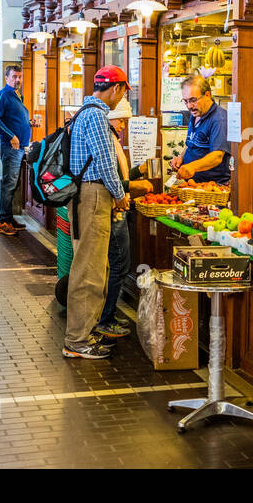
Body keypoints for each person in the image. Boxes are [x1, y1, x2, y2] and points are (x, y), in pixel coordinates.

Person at [62, 65, 130, 359]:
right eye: (124, 91)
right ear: (117, 89)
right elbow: (104, 163)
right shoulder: (97, 115)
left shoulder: (83, 112)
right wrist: (120, 195)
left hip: (84, 195)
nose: (122, 97)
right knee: (89, 270)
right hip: (93, 196)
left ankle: (84, 333)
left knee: (91, 267)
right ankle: (77, 340)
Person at [94, 99, 153, 341]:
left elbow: (118, 175)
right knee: (118, 265)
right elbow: (111, 181)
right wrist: (134, 184)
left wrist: (138, 170)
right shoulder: (107, 139)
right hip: (114, 212)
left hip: (117, 210)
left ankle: (107, 315)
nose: (123, 126)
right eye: (121, 121)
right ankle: (105, 318)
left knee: (116, 265)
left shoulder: (112, 139)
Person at [0, 65, 32, 235]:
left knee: (13, 185)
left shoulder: (17, 95)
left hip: (19, 147)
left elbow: (12, 118)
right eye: (14, 77)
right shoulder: (2, 95)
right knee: (9, 184)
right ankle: (4, 221)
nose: (17, 80)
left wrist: (28, 123)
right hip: (10, 147)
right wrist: (11, 135)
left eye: (19, 77)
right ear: (6, 78)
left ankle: (9, 217)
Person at [170, 75, 231, 185]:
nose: (189, 106)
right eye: (185, 101)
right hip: (193, 186)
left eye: (193, 100)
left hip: (212, 188)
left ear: (207, 95)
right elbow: (191, 144)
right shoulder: (195, 114)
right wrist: (181, 158)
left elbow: (217, 156)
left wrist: (192, 166)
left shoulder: (219, 119)